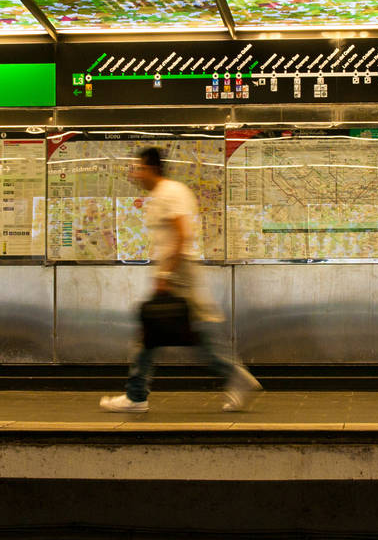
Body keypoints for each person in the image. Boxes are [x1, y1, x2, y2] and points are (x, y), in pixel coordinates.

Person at [100, 147, 262, 412]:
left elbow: (182, 234)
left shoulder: (170, 193)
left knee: (170, 332)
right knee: (171, 333)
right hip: (177, 271)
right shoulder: (162, 195)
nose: (134, 174)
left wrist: (165, 275)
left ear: (151, 168)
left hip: (178, 273)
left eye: (137, 168)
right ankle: (137, 394)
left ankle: (137, 395)